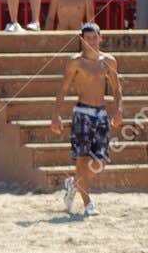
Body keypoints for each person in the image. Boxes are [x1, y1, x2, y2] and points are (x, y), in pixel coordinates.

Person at [49, 22, 122, 217]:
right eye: (87, 38)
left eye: (94, 37)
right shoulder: (75, 62)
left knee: (100, 162)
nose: (91, 41)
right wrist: (56, 114)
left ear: (100, 37)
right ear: (82, 40)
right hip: (82, 113)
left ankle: (74, 184)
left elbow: (116, 87)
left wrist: (119, 110)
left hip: (101, 113)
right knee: (82, 159)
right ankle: (88, 203)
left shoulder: (109, 61)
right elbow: (63, 88)